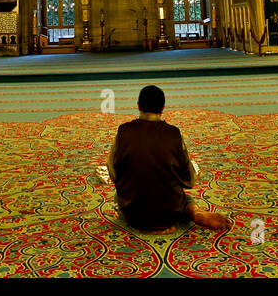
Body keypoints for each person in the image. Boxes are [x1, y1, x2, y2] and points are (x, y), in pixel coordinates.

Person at [97, 85, 231, 233]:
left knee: (119, 198)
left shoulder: (123, 131)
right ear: (162, 109)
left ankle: (146, 224)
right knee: (185, 199)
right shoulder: (173, 134)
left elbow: (113, 172)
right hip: (170, 213)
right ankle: (195, 212)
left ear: (138, 106)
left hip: (133, 214)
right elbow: (188, 180)